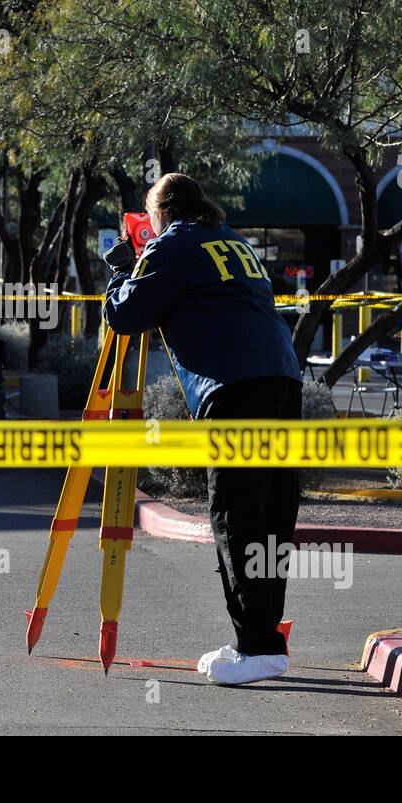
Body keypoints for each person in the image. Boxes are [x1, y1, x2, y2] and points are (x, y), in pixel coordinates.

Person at [102, 172, 302, 686]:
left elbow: (126, 315)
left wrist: (120, 271)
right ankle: (264, 639)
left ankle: (256, 646)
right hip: (282, 381)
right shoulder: (232, 242)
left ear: (162, 213)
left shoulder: (172, 245)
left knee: (236, 513)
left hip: (234, 388)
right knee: (271, 515)